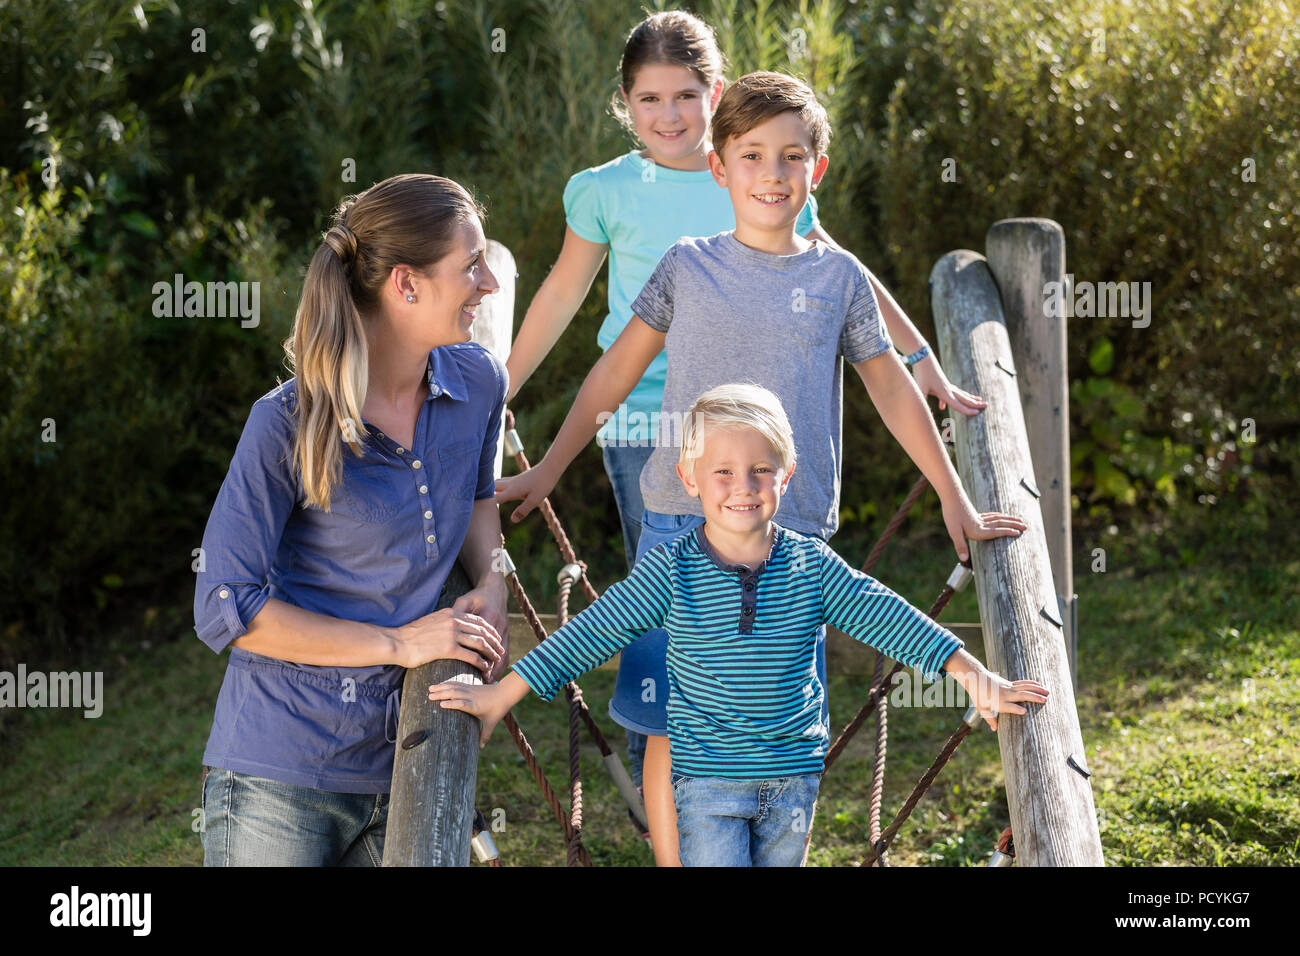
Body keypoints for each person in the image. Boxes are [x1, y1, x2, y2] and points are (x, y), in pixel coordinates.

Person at [495, 71, 1029, 865]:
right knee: (668, 723)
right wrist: (548, 470)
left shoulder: (838, 279)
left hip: (790, 533)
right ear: (720, 168)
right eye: (751, 156)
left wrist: (952, 492)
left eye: (790, 157)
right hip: (681, 517)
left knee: (773, 722)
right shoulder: (687, 266)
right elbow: (611, 375)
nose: (771, 175)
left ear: (816, 170)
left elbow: (888, 388)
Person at [433, 384, 1049, 866]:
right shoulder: (672, 571)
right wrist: (500, 695)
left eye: (760, 470)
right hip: (707, 782)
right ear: (689, 478)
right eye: (722, 471)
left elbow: (885, 615)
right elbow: (591, 633)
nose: (742, 487)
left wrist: (972, 675)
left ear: (786, 473)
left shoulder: (809, 565)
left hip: (793, 778)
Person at [192, 173, 510, 866]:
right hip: (280, 769)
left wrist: (495, 580)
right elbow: (226, 607)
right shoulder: (286, 422)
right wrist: (400, 644)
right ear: (405, 284)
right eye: (472, 266)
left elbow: (479, 496)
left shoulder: (480, 380)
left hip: (410, 756)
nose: (488, 282)